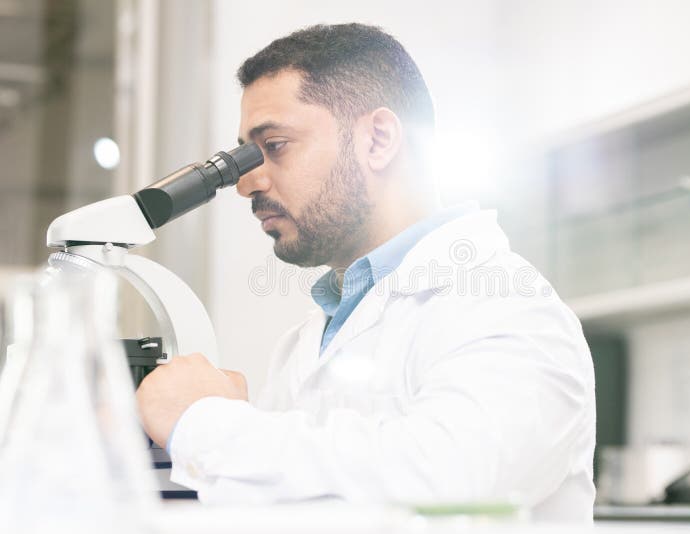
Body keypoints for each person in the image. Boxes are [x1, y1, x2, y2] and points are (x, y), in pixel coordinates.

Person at [136, 23, 596, 521]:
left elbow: (448, 480)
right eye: (245, 156)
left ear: (377, 138)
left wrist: (205, 422)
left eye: (275, 145)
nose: (247, 183)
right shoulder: (308, 340)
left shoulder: (510, 308)